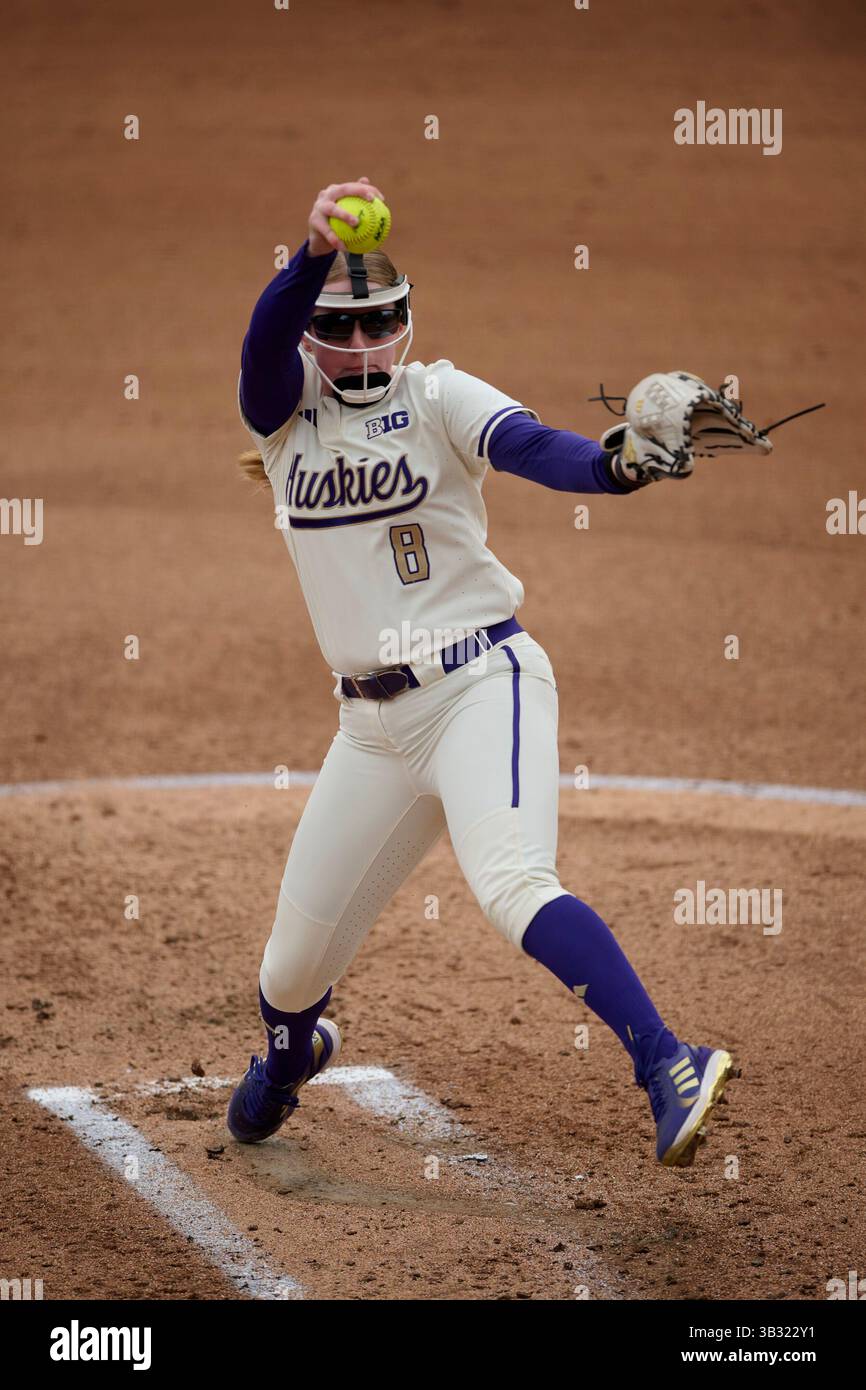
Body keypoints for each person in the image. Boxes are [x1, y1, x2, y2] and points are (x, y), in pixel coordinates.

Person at [227, 176, 733, 1167]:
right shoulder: (280, 422)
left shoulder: (439, 394)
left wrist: (617, 465)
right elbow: (257, 352)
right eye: (342, 330)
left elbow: (537, 446)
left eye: (381, 326)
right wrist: (311, 253)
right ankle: (292, 1059)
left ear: (406, 327)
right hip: (368, 732)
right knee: (288, 974)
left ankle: (669, 1062)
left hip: (477, 688)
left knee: (509, 883)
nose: (364, 348)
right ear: (309, 337)